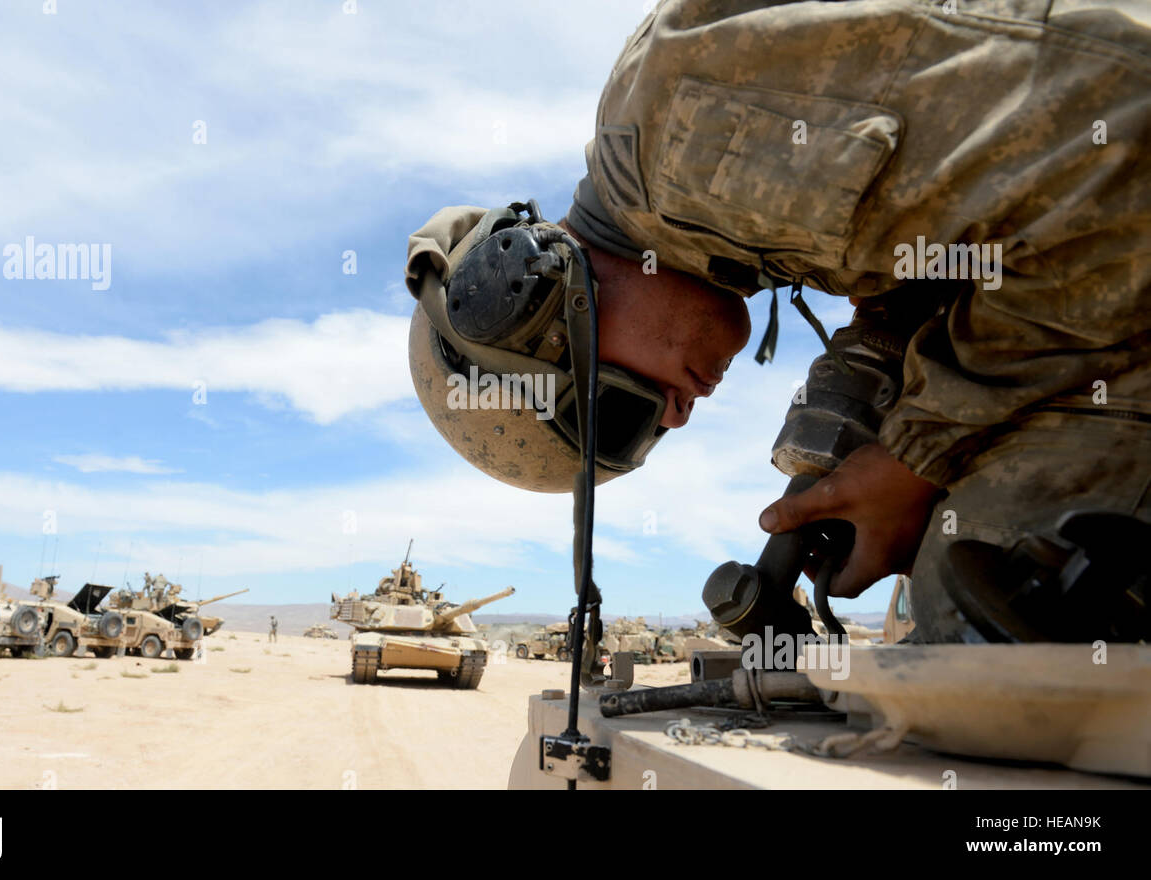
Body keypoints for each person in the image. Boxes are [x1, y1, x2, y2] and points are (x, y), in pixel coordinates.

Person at [405, 0, 1150, 643]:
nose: (678, 416)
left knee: (979, 609)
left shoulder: (690, 159)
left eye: (618, 416)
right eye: (653, 437)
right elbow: (981, 219)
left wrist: (922, 456)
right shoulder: (701, 203)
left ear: (541, 298)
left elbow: (1124, 144)